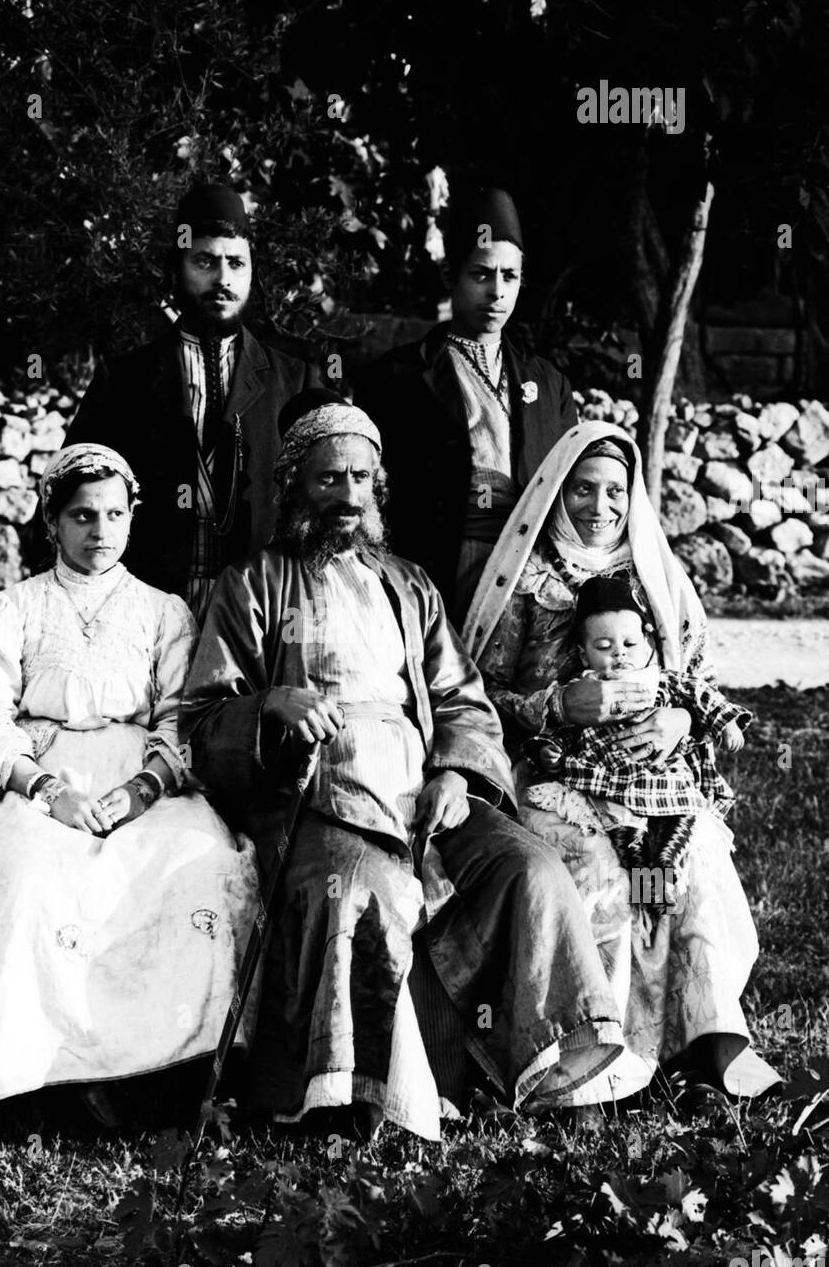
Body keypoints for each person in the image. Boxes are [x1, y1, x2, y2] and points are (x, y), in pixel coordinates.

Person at [179, 390, 625, 1141]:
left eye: (360, 479)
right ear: (295, 488)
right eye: (327, 480)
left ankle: (536, 1070)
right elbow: (202, 722)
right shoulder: (252, 584)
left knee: (529, 867)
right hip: (321, 797)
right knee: (364, 890)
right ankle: (367, 1099)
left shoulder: (409, 585)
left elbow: (460, 696)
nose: (346, 497)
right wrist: (270, 708)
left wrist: (457, 775)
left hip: (424, 791)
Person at [0, 443, 262, 1132]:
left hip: (145, 783)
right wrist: (48, 792)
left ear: (133, 518)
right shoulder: (11, 608)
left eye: (112, 513)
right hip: (34, 779)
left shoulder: (164, 611)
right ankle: (33, 1079)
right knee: (32, 873)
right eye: (80, 515)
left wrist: (141, 790)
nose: (98, 530)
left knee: (201, 868)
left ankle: (172, 1076)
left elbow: (181, 719)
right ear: (51, 522)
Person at [462, 421, 781, 1105]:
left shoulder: (654, 574)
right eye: (582, 488)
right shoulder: (524, 582)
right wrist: (555, 704)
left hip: (658, 780)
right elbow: (475, 696)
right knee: (607, 879)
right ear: (555, 491)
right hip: (558, 779)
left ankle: (708, 1047)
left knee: (689, 877)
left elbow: (699, 676)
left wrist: (681, 716)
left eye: (614, 491)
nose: (599, 506)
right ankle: (610, 1058)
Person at [65, 183, 319, 619]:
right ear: (177, 268)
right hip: (144, 607)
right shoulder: (125, 380)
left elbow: (318, 507)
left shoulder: (294, 381)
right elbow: (68, 493)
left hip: (259, 609)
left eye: (236, 263)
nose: (223, 279)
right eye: (205, 261)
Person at [356, 186, 576, 623]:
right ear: (449, 277)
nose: (497, 292)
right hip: (432, 571)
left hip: (528, 571)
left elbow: (568, 487)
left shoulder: (548, 384)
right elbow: (372, 493)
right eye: (481, 274)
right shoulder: (399, 377)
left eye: (509, 277)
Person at [522, 575, 750, 923]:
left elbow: (701, 694)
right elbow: (562, 729)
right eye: (604, 646)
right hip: (613, 782)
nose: (620, 653)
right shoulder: (584, 688)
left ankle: (667, 869)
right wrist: (550, 751)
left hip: (665, 777)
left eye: (630, 642)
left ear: (647, 643)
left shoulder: (662, 680)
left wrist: (725, 722)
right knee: (627, 841)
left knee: (678, 824)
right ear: (584, 653)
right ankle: (649, 894)